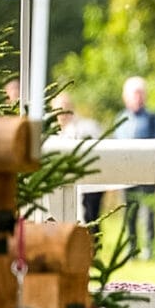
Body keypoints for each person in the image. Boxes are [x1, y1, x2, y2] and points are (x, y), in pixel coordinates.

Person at [114, 76, 155, 260]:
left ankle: (149, 248)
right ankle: (131, 248)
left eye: (141, 93)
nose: (138, 97)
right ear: (126, 97)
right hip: (126, 173)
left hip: (148, 173)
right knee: (129, 212)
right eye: (135, 94)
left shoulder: (153, 119)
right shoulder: (120, 119)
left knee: (149, 212)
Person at [53, 89, 104, 227]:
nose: (63, 113)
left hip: (90, 184)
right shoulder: (52, 132)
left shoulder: (86, 127)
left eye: (66, 108)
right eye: (59, 109)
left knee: (91, 220)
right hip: (61, 185)